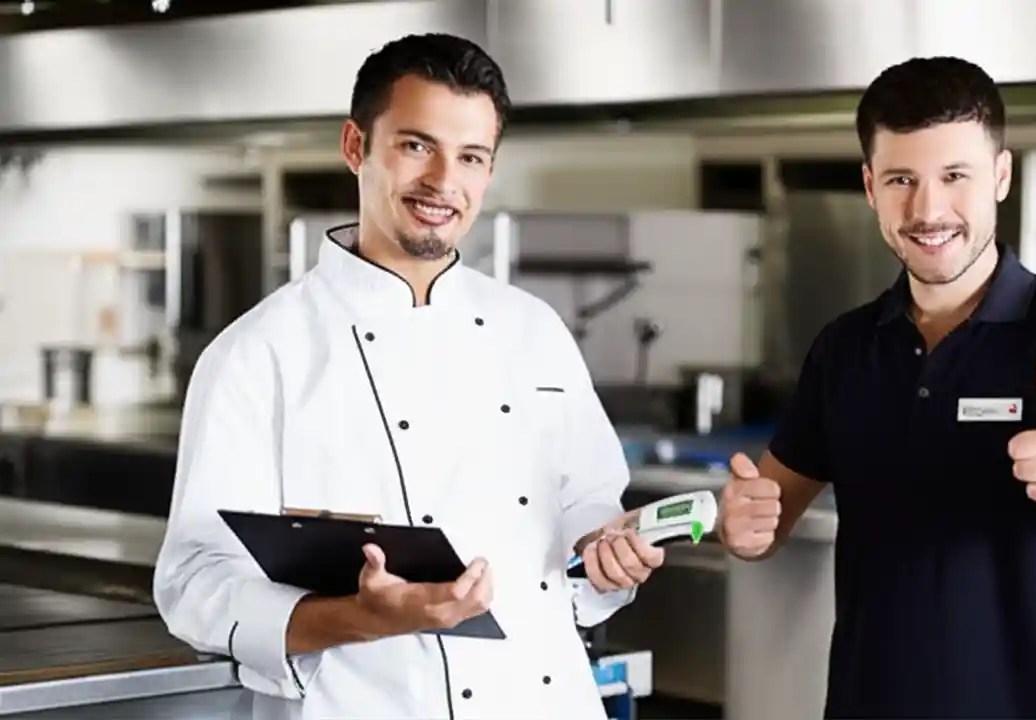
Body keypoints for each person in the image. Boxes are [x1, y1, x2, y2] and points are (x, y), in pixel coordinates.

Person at [153, 33, 663, 720]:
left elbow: (589, 510)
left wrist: (608, 554)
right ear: (357, 146)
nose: (444, 182)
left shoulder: (532, 329)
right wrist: (359, 617)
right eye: (417, 145)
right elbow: (195, 584)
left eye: (472, 157)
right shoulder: (258, 354)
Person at [717, 57, 1036, 719]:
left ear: (1001, 177)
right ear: (870, 186)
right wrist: (740, 525)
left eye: (955, 176)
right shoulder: (845, 348)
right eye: (902, 179)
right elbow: (767, 518)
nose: (928, 210)